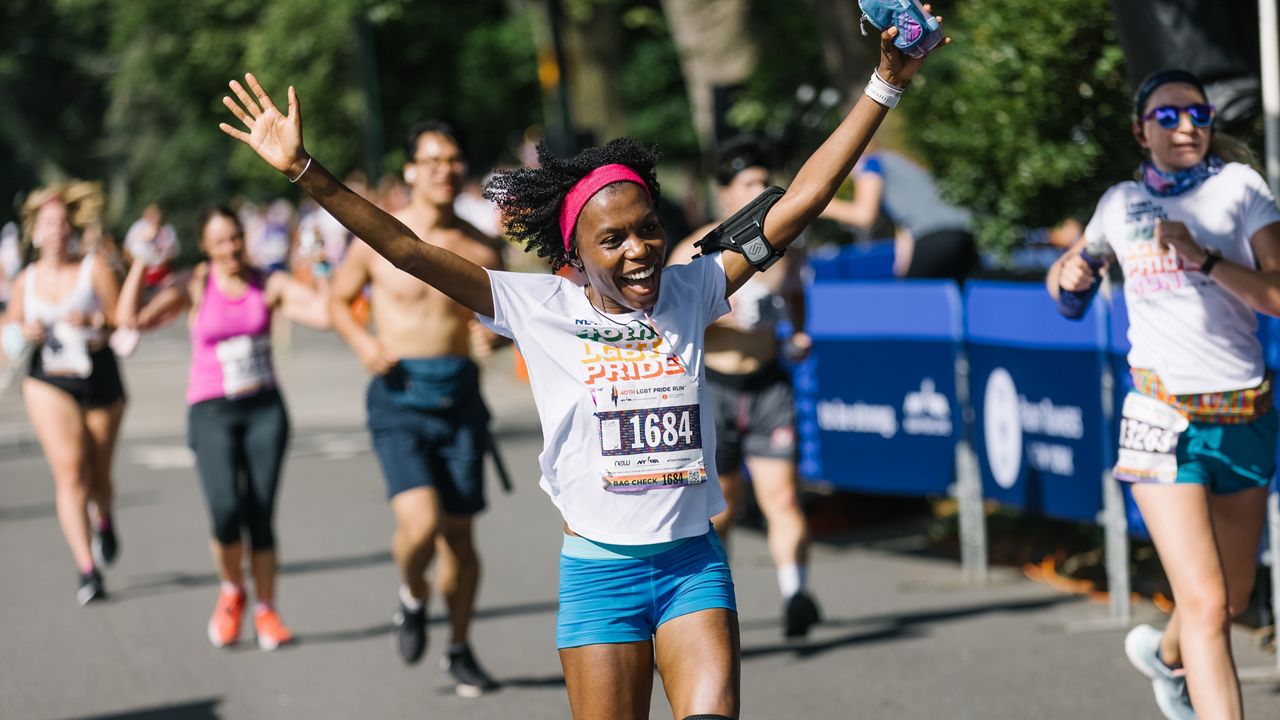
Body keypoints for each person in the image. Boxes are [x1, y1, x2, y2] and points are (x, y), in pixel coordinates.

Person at [217, 19, 942, 715]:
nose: (640, 251)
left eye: (650, 229)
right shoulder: (536, 308)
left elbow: (805, 199)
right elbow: (407, 250)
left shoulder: (695, 289)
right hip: (602, 577)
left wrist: (885, 82)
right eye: (614, 240)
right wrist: (304, 171)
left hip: (692, 568)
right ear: (577, 255)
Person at [1048, 69, 1280, 720]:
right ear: (1140, 130)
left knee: (1228, 600)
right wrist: (1066, 275)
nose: (1186, 128)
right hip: (1159, 418)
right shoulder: (1120, 203)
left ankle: (1167, 659)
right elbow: (1071, 286)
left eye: (1198, 116)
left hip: (1245, 414)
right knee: (1207, 604)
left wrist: (1205, 258)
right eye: (1168, 116)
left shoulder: (1240, 189)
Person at [327, 121, 503, 697]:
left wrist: (495, 338)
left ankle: (458, 647)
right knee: (421, 524)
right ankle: (411, 594)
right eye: (430, 161)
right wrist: (363, 342)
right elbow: (338, 300)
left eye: (452, 160)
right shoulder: (379, 237)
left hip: (458, 395)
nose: (443, 170)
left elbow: (505, 319)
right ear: (410, 170)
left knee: (460, 538)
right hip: (399, 393)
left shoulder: (482, 247)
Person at [116, 207, 330, 651]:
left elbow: (325, 314)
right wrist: (141, 259)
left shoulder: (266, 282)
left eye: (235, 238)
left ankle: (267, 610)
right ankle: (233, 590)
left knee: (261, 515)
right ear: (205, 246)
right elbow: (129, 318)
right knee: (225, 510)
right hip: (210, 410)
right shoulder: (195, 284)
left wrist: (320, 264)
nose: (231, 248)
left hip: (264, 410)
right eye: (220, 241)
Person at [668, 136, 821, 638]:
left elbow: (795, 293)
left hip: (768, 385)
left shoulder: (785, 241)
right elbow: (667, 325)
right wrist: (730, 325)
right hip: (715, 388)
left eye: (764, 179)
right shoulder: (697, 246)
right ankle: (714, 609)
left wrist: (798, 332)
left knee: (782, 498)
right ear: (727, 193)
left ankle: (795, 592)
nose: (760, 190)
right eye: (749, 183)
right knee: (724, 508)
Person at [2, 184, 125, 605]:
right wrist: (23, 332)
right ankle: (87, 569)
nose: (57, 231)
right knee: (71, 472)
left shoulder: (94, 268)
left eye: (63, 224)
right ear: (34, 231)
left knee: (98, 476)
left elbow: (119, 321)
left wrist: (94, 319)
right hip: (48, 380)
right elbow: (9, 332)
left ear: (72, 229)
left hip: (99, 377)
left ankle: (104, 518)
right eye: (49, 224)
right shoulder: (26, 281)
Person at [820, 143, 978, 283]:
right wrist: (904, 270)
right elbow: (906, 226)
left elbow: (864, 216)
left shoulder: (871, 163)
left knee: (914, 302)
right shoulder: (898, 163)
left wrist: (818, 205)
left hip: (935, 237)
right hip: (966, 235)